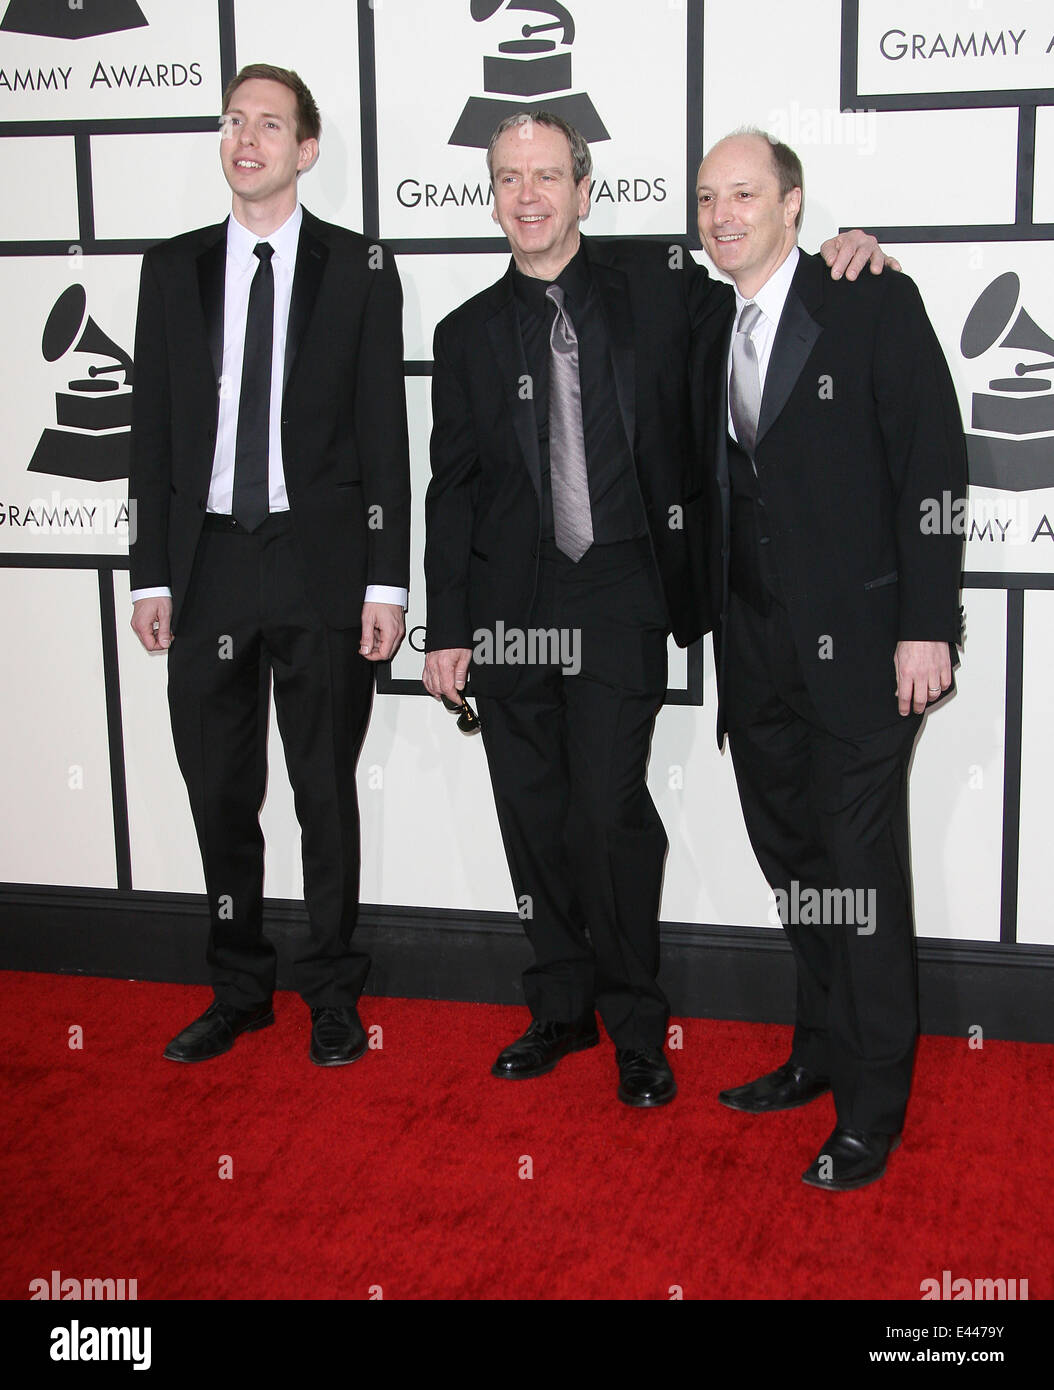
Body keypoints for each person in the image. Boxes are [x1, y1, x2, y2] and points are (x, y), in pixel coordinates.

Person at [422, 110, 886, 1107]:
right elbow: (448, 490)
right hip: (507, 603)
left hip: (618, 591)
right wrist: (449, 626)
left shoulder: (659, 289)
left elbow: (768, 285)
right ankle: (558, 1007)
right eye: (510, 178)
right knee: (532, 814)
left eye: (548, 174)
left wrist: (850, 249)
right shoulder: (460, 335)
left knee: (607, 813)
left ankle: (637, 1020)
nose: (529, 194)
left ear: (584, 191)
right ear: (494, 196)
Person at [694, 130, 965, 1187]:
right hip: (754, 656)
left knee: (856, 879)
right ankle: (815, 1048)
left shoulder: (870, 300)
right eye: (708, 198)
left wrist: (926, 624)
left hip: (864, 654)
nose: (723, 215)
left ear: (793, 205)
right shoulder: (701, 323)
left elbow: (932, 463)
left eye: (745, 194)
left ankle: (872, 1103)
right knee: (796, 868)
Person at [129, 64, 410, 1067]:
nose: (247, 138)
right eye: (234, 121)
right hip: (205, 566)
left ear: (308, 148)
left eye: (270, 123)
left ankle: (331, 992)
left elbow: (386, 432)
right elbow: (152, 436)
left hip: (319, 564)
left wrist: (388, 581)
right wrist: (150, 573)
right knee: (219, 791)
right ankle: (240, 985)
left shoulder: (361, 268)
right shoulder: (171, 271)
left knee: (322, 792)